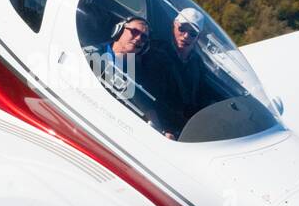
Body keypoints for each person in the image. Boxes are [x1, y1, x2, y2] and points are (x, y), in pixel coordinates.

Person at [145, 8, 209, 139]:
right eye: (182, 29)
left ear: (199, 36)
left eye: (192, 33)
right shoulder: (156, 52)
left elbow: (201, 95)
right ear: (174, 24)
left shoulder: (197, 62)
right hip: (167, 128)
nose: (186, 36)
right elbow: (150, 97)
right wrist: (164, 129)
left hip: (191, 125)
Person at [83, 16, 150, 103]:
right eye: (134, 32)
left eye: (143, 37)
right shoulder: (90, 54)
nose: (138, 38)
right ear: (119, 30)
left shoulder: (139, 75)